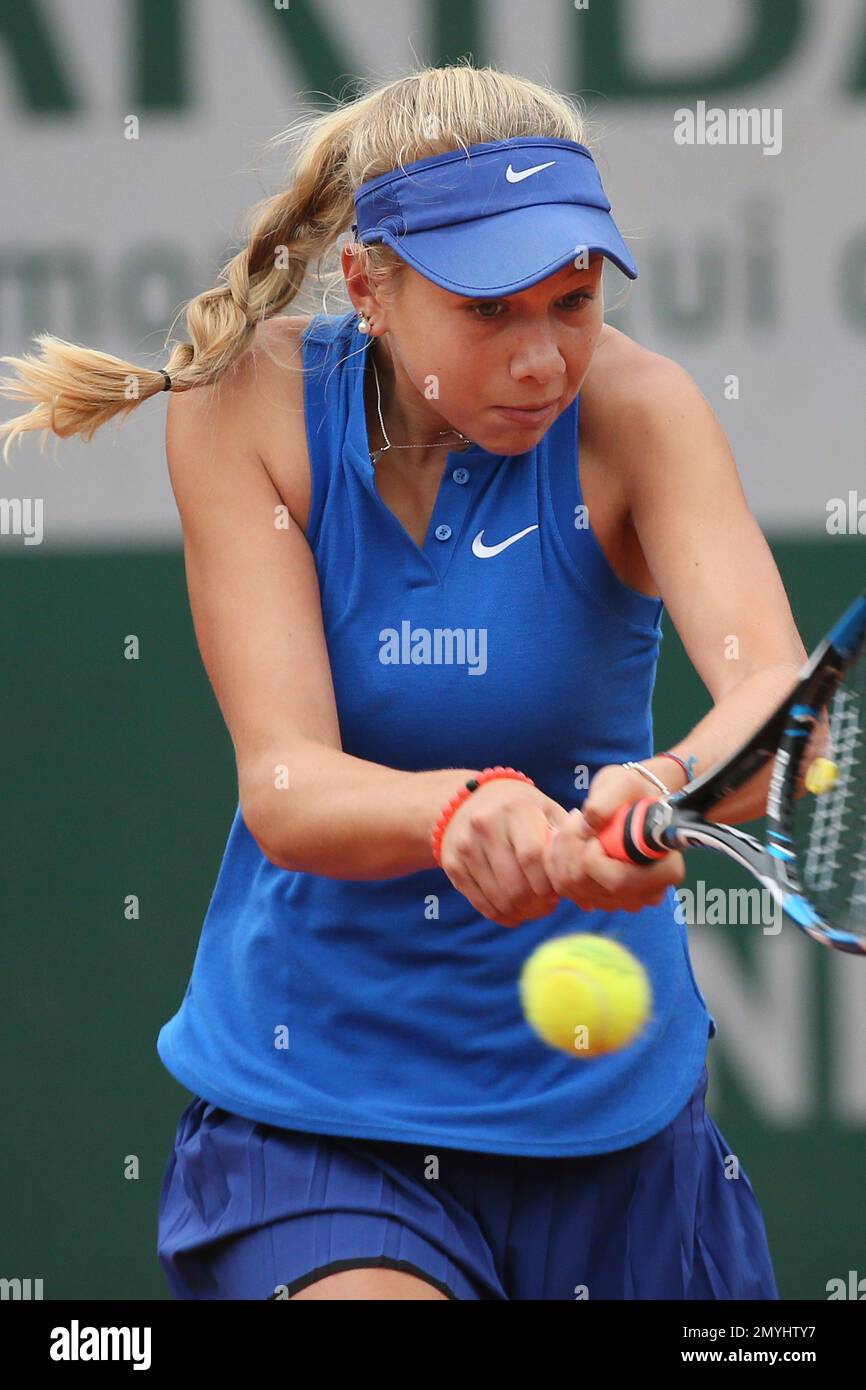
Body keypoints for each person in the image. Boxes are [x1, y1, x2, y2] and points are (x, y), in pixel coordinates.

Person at [0, 62, 796, 1301]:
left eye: (573, 301)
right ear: (369, 286)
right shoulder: (244, 408)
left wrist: (660, 783)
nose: (542, 359)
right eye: (489, 311)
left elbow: (772, 701)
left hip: (608, 1117)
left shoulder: (642, 411)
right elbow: (285, 783)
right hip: (319, 1112)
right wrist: (455, 812)